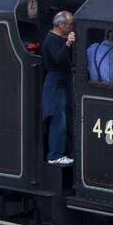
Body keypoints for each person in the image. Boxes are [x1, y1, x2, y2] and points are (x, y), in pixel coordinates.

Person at [41, 12, 76, 166]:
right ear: (60, 25)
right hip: (56, 82)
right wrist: (68, 43)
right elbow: (59, 58)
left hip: (62, 81)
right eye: (69, 24)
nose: (71, 27)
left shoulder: (57, 39)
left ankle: (65, 151)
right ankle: (55, 154)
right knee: (58, 119)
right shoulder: (51, 40)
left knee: (65, 118)